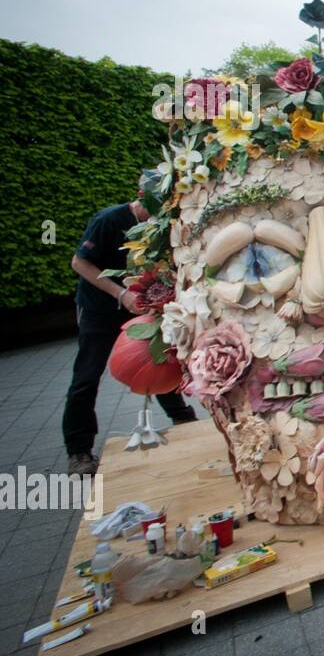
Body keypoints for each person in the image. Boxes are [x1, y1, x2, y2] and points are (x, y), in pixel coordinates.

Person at [62, 193, 196, 476]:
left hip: (137, 304)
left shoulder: (161, 223)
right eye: (157, 206)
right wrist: (120, 293)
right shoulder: (108, 220)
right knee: (86, 376)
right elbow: (79, 262)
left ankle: (183, 419)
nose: (162, 212)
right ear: (141, 198)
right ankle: (78, 450)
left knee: (159, 358)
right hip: (100, 308)